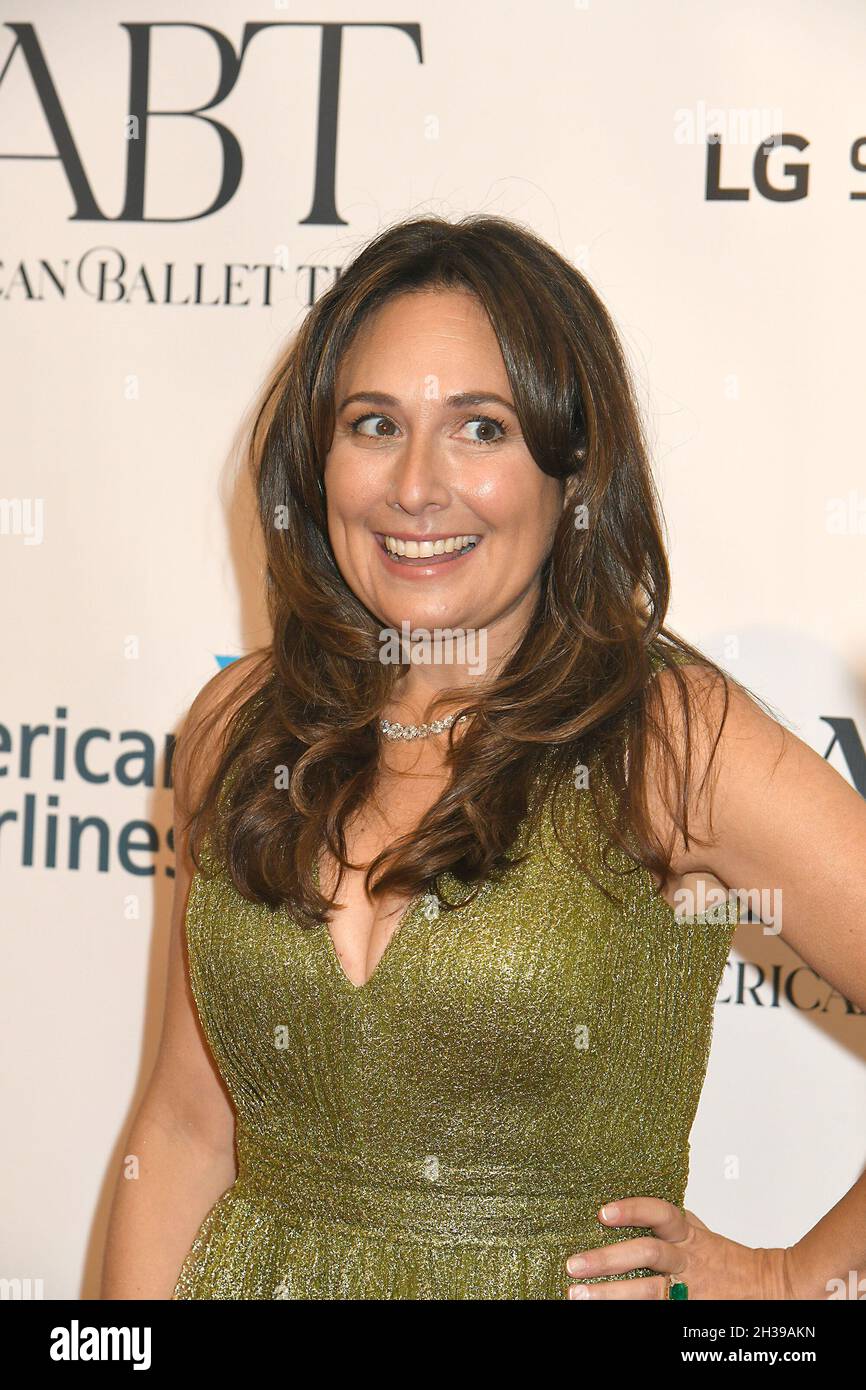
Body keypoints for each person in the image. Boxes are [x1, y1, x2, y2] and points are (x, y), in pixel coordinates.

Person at [100, 214, 866, 1300]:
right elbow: (182, 1126)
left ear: (569, 470)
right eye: (373, 424)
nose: (416, 486)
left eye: (480, 429)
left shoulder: (668, 740)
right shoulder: (239, 725)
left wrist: (789, 1286)